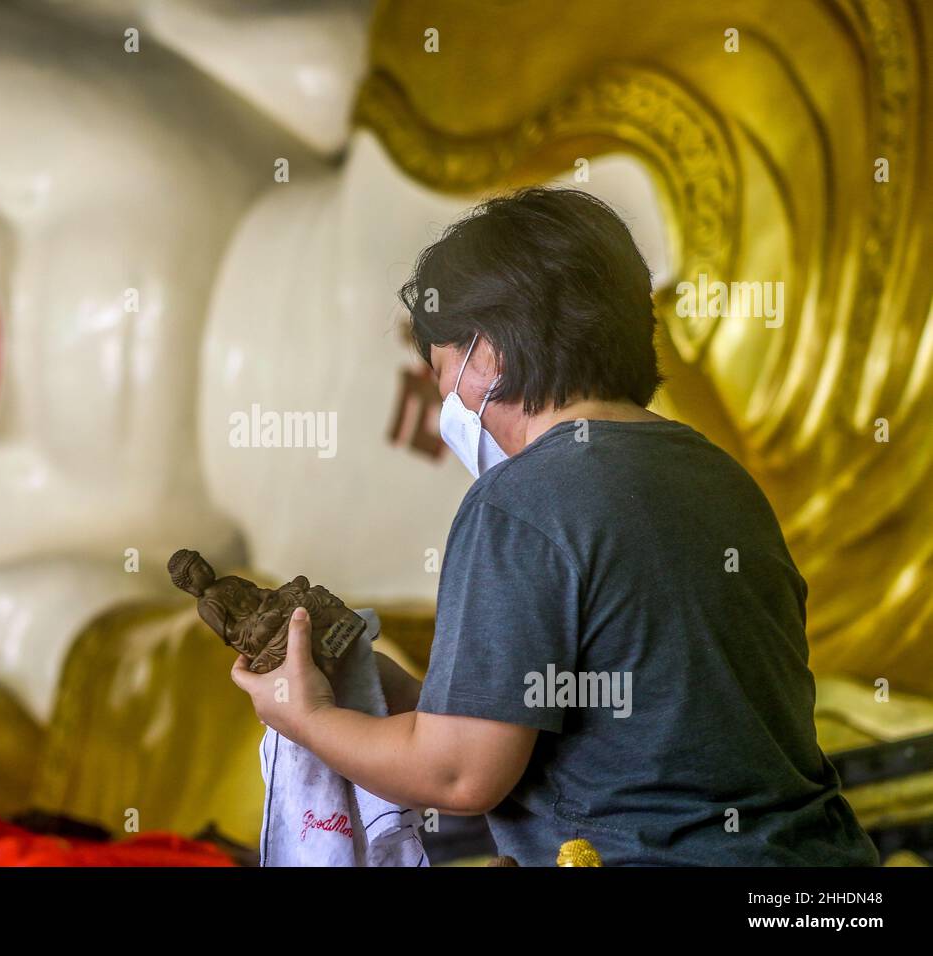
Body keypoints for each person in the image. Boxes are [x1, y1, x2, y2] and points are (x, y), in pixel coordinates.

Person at [229, 186, 879, 866]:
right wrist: (373, 687)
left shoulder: (518, 501)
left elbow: (459, 774)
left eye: (443, 372)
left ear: (490, 354)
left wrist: (305, 718)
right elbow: (585, 729)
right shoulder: (720, 479)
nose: (445, 400)